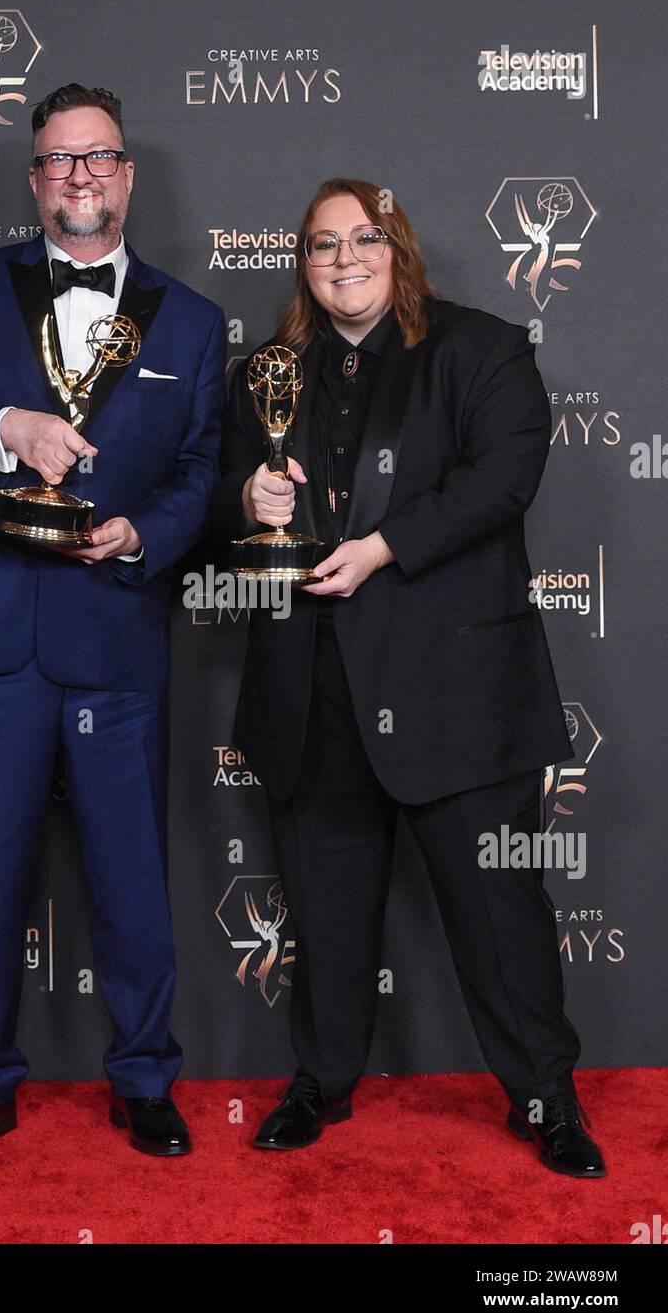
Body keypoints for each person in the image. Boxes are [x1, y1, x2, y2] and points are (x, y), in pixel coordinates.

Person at [212, 177, 605, 1177]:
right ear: (300, 263)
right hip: (312, 687)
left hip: (453, 692)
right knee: (327, 911)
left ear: (397, 247)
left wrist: (384, 544)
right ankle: (321, 1081)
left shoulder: (479, 351)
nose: (341, 257)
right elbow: (227, 494)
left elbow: (501, 479)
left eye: (361, 238)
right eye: (318, 244)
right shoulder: (269, 371)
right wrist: (247, 497)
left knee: (497, 919)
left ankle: (544, 1099)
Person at [0, 84, 226, 1164]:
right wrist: (3, 427)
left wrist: (139, 535)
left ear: (128, 175)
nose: (79, 177)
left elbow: (200, 474)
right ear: (34, 179)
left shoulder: (195, 321)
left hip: (115, 624)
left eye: (99, 158)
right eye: (58, 161)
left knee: (132, 874)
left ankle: (144, 1078)